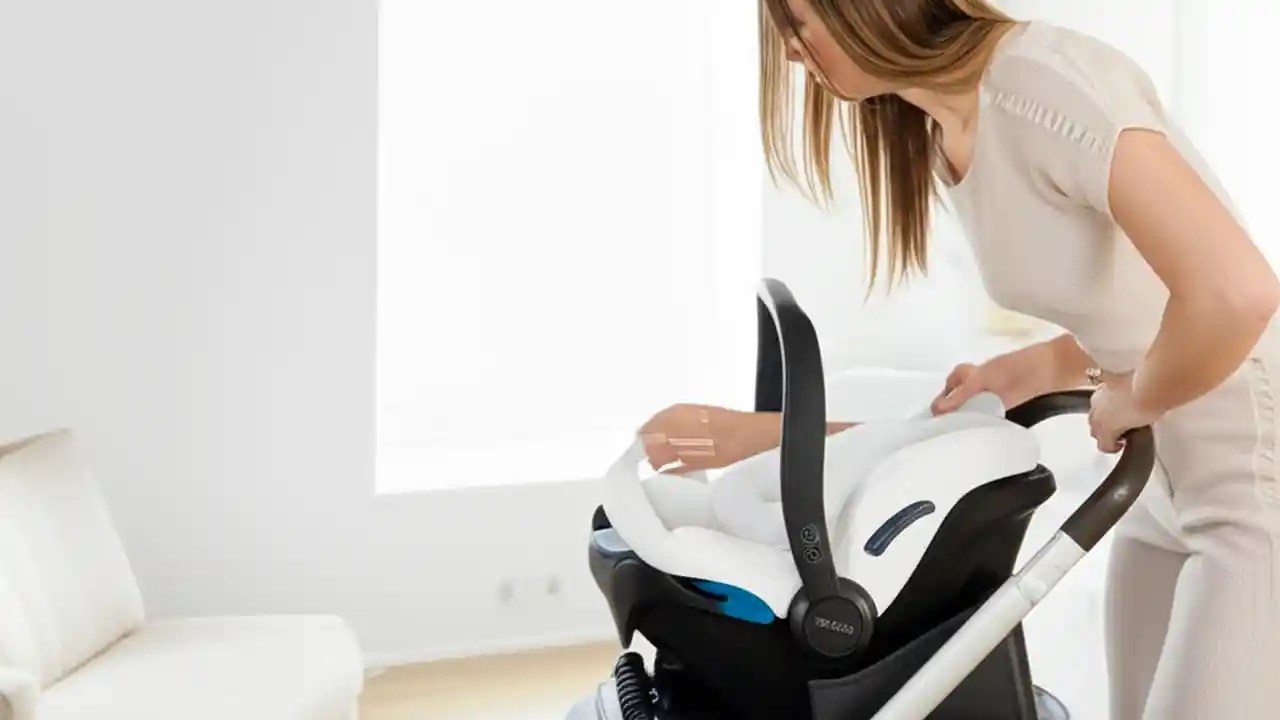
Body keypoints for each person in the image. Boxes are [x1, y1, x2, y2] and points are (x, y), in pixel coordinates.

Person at [637, 1, 1280, 718]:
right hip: (1157, 486)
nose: (790, 52)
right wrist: (1038, 369)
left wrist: (1137, 397)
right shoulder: (946, 130)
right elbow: (1140, 300)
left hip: (1252, 483)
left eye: (797, 23)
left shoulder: (1046, 86)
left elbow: (1238, 294)